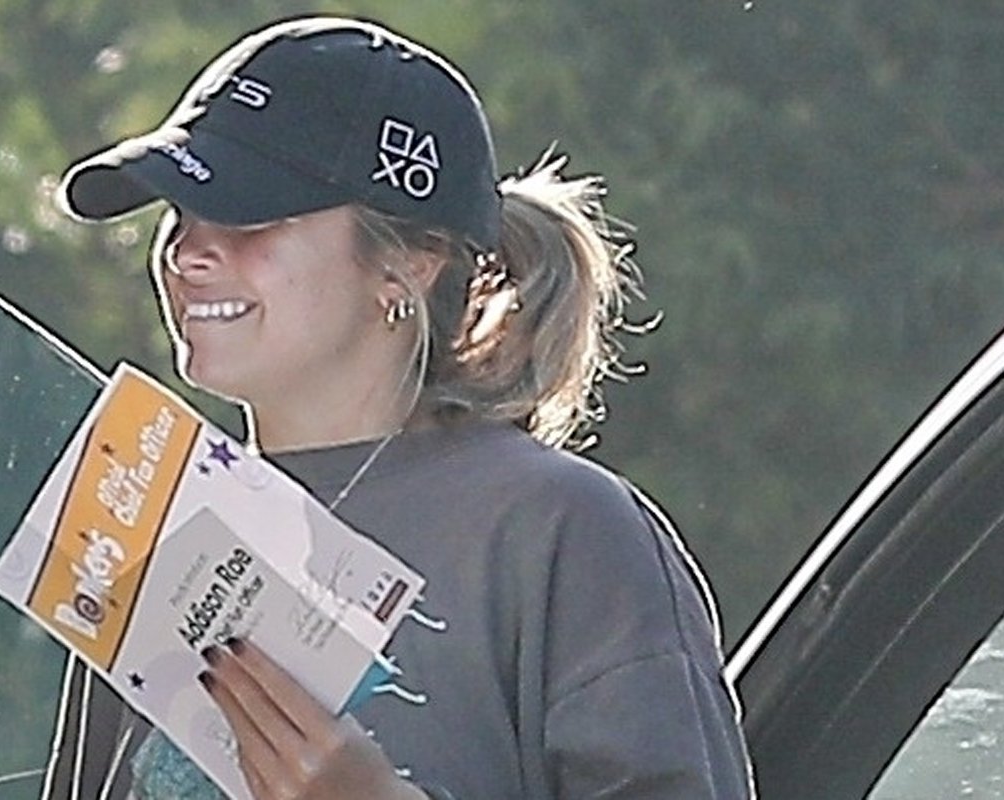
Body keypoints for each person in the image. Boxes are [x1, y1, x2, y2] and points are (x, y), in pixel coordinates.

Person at [56, 15, 754, 800]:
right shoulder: (154, 524)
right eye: (178, 212)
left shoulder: (563, 529)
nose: (187, 252)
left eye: (250, 215)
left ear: (410, 262)